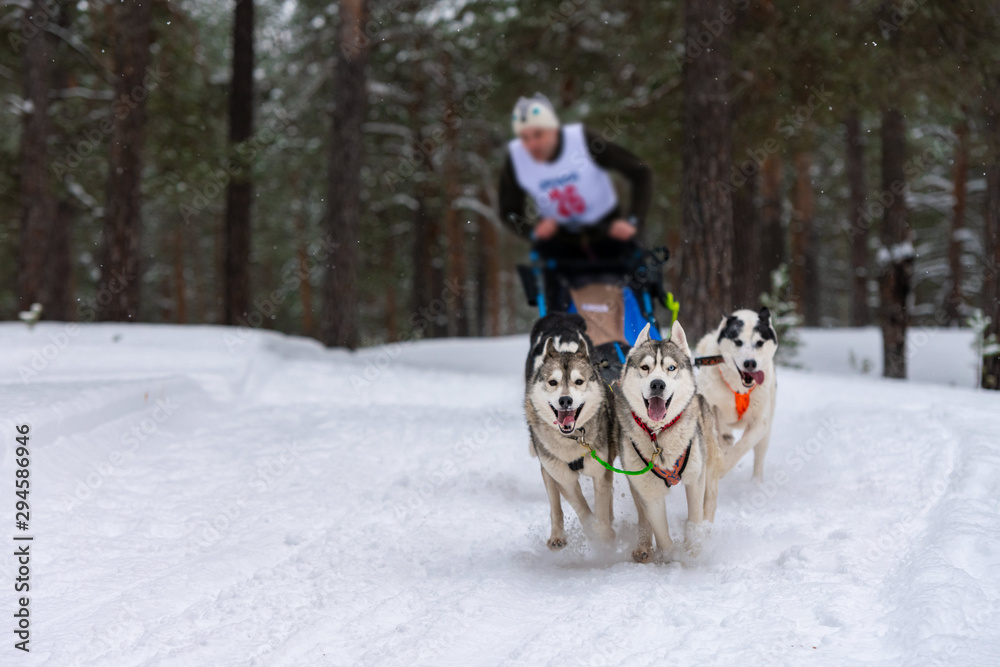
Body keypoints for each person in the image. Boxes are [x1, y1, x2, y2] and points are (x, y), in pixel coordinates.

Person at [498, 93, 653, 310]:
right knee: (560, 316)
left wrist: (632, 221)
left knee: (626, 305)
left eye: (538, 134)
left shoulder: (581, 140)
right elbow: (508, 212)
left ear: (553, 129)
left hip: (608, 235)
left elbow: (640, 173)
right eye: (524, 137)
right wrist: (532, 232)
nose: (532, 144)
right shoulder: (516, 158)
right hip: (559, 244)